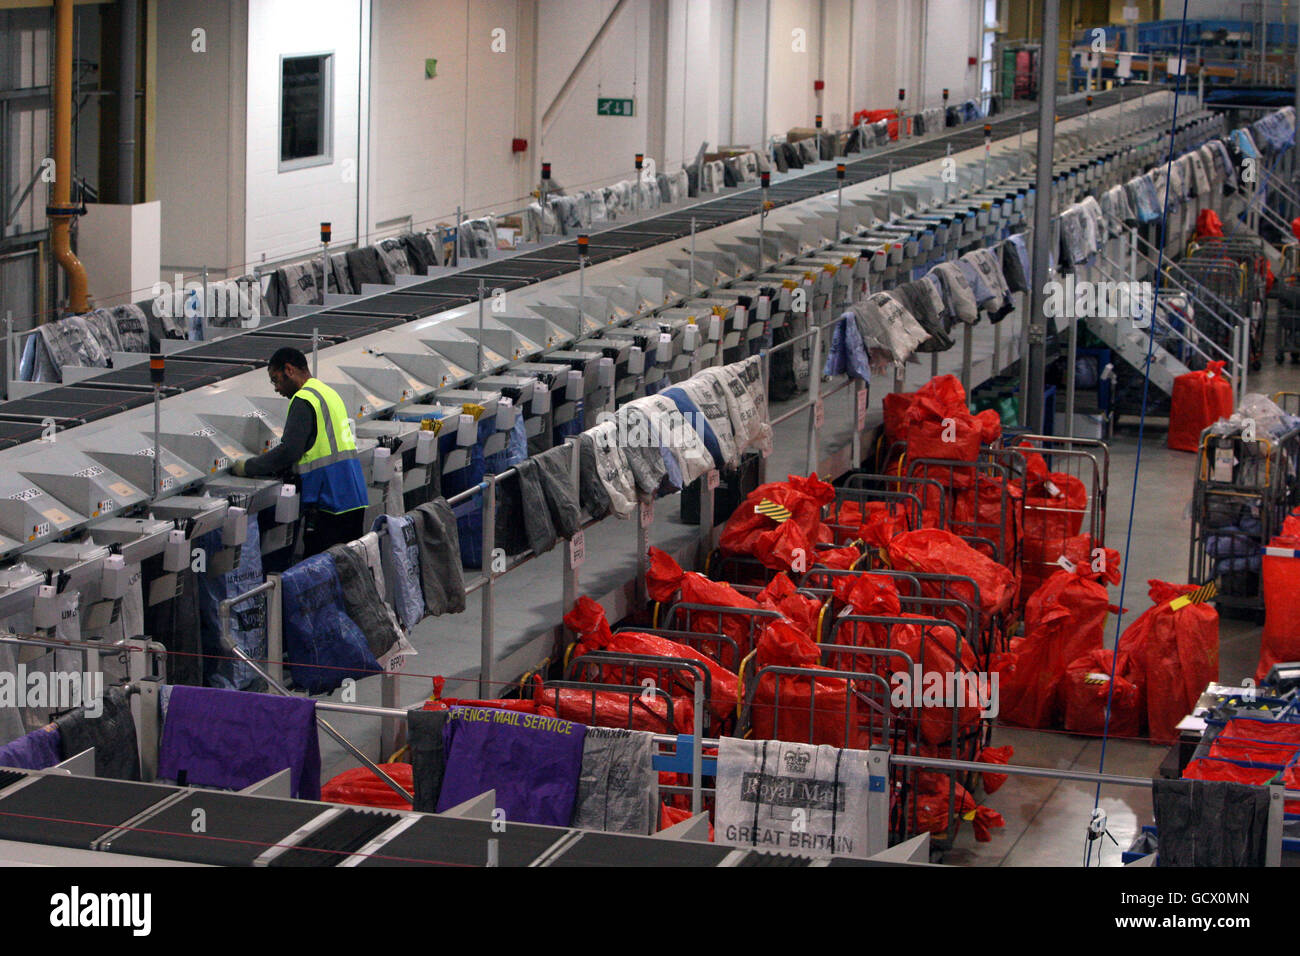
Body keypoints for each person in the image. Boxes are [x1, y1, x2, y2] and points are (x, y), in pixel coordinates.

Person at [232, 347, 369, 557]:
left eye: (275, 380)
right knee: (348, 570)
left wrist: (248, 466)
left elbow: (289, 451)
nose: (277, 388)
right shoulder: (327, 392)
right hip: (353, 497)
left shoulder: (303, 400)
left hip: (329, 502)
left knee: (322, 574)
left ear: (289, 370)